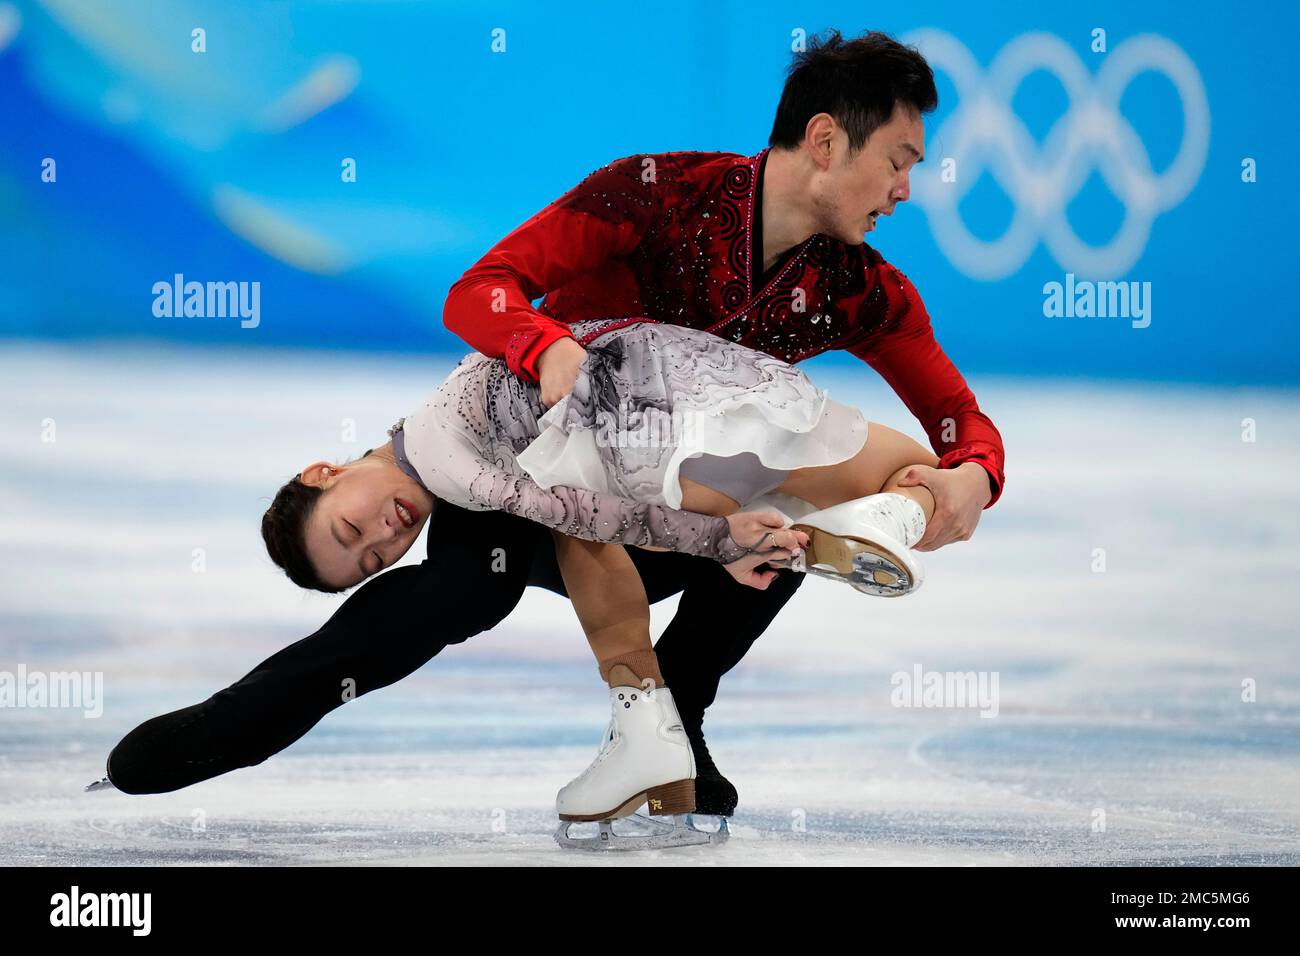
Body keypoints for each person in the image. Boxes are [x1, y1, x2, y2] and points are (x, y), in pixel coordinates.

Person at [93, 29, 1006, 850]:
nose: (905, 189)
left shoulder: (859, 288)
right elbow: (481, 289)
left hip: (681, 512)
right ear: (824, 140)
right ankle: (232, 725)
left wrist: (970, 479)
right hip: (535, 484)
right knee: (454, 589)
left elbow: (963, 422)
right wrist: (547, 345)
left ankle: (677, 714)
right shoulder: (653, 196)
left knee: (790, 512)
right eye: (898, 159)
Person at [260, 314, 943, 840]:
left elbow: (576, 504)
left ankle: (661, 720)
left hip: (651, 459)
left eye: (351, 530)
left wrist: (718, 539)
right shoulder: (456, 496)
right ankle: (875, 517)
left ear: (325, 473)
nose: (386, 537)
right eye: (376, 561)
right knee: (810, 505)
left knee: (744, 521)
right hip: (669, 447)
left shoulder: (443, 440)